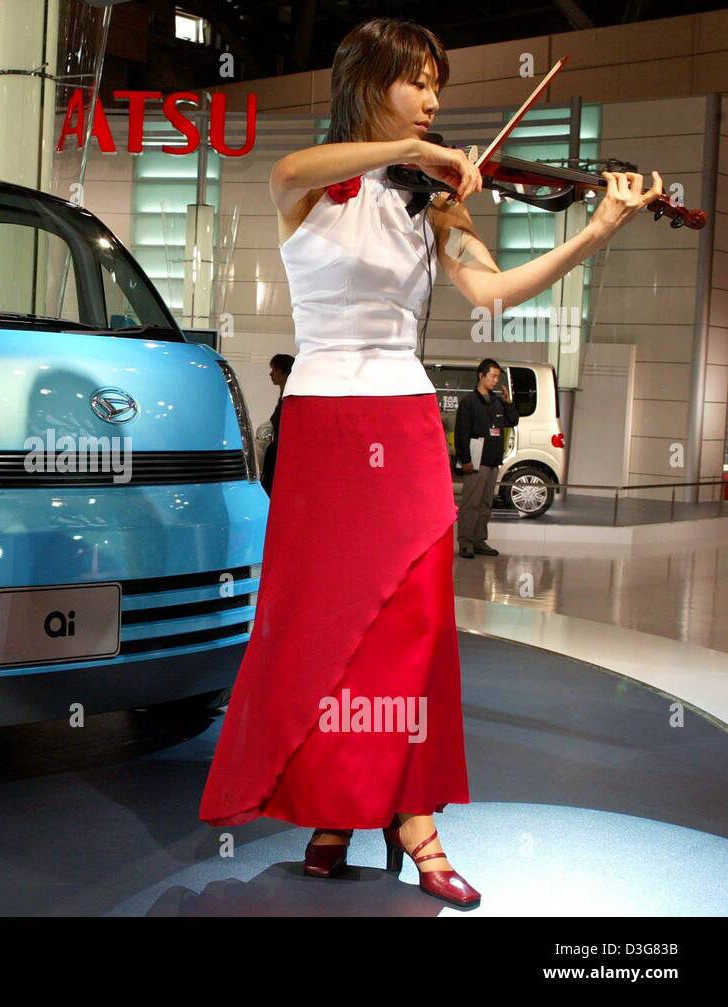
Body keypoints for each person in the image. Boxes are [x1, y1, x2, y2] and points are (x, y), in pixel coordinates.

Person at [198, 15, 661, 909]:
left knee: (412, 625)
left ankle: (414, 817)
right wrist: (409, 147)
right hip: (325, 425)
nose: (435, 100)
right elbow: (287, 170)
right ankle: (334, 805)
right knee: (325, 629)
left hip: (402, 420)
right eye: (419, 81)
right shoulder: (316, 188)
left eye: (437, 87)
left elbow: (490, 291)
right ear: (372, 81)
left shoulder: (429, 201)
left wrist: (596, 231)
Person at [455, 359, 517, 558]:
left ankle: (479, 540)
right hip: (475, 461)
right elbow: (461, 433)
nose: (496, 380)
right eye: (493, 376)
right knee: (471, 503)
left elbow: (512, 420)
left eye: (498, 376)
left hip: (492, 461)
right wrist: (465, 459)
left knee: (485, 504)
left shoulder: (497, 401)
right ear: (481, 376)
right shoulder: (469, 403)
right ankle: (465, 543)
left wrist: (508, 404)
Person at [261, 353, 294, 495]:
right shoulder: (284, 398)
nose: (271, 374)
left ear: (285, 371)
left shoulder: (291, 399)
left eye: (274, 369)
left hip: (283, 454)